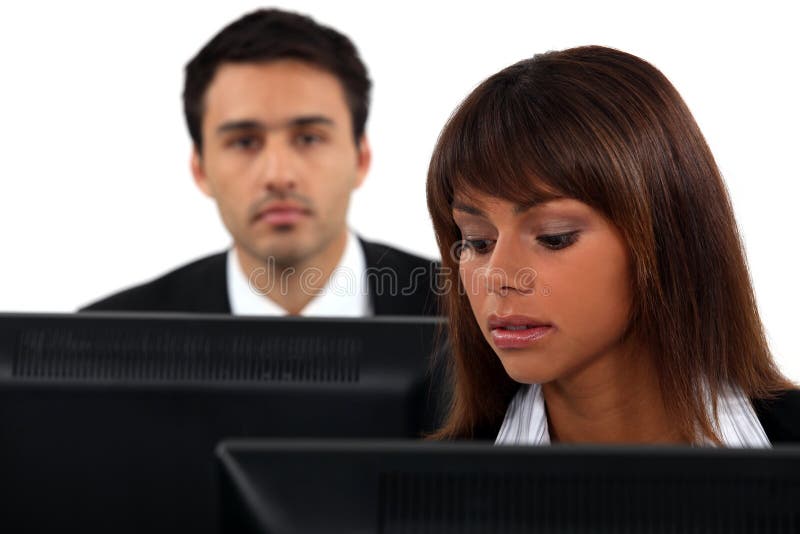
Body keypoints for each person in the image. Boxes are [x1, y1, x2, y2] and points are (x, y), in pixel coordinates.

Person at [426, 45, 799, 445]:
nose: (497, 276)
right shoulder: (420, 480)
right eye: (478, 242)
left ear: (665, 237)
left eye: (554, 237)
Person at [82, 9, 437, 316]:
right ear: (200, 169)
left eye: (309, 138)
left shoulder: (460, 310)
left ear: (361, 158)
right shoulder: (106, 339)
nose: (278, 176)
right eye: (244, 142)